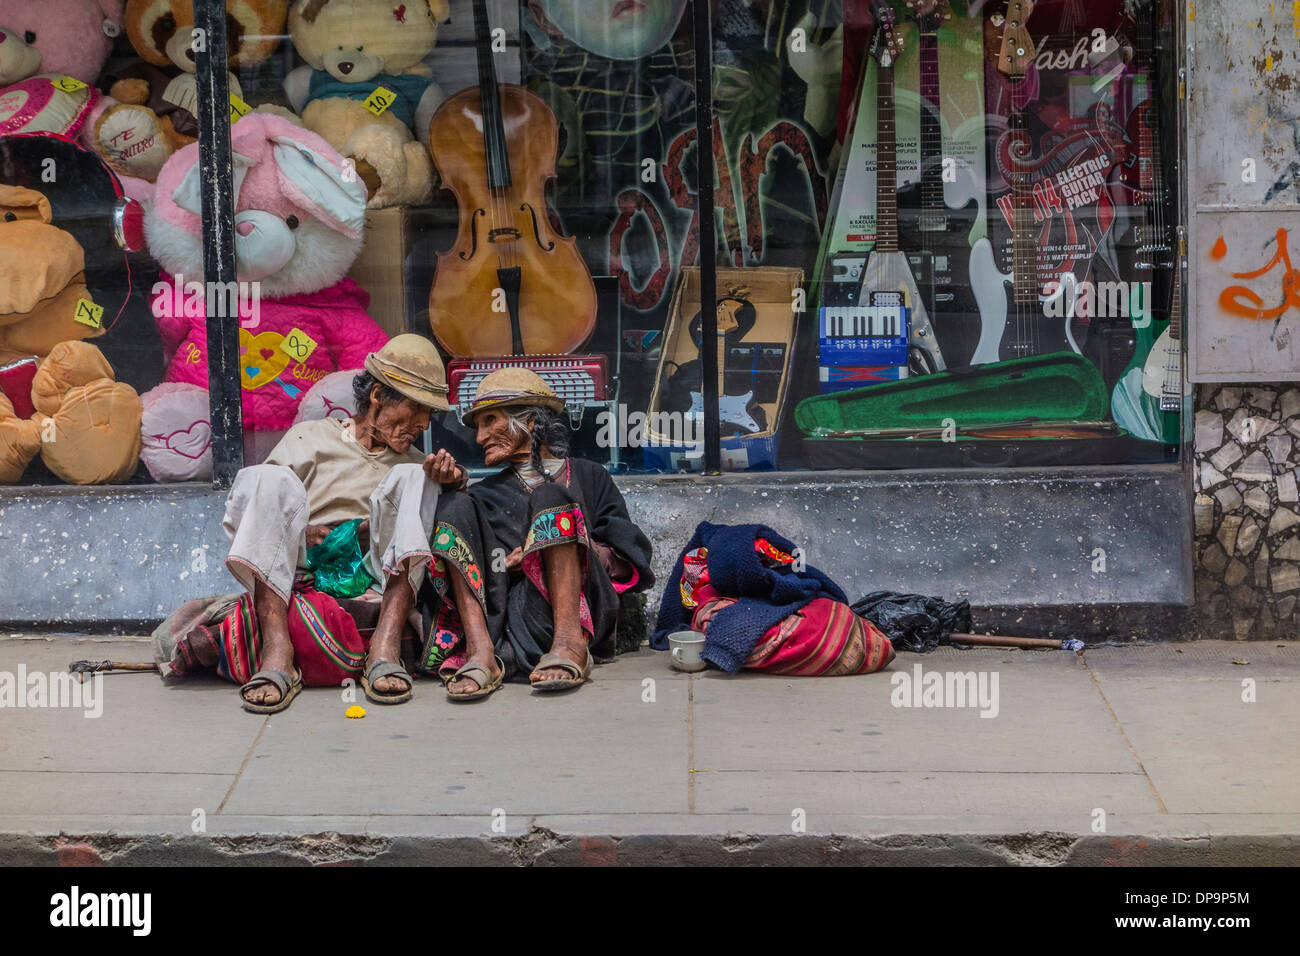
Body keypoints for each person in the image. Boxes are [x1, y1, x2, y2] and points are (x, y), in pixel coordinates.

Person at [222, 334, 467, 712]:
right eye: (416, 408)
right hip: (308, 563)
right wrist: (304, 533)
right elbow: (265, 514)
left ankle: (384, 647)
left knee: (417, 477)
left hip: (377, 571)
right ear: (377, 396)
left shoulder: (417, 464)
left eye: (428, 415)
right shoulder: (309, 437)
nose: (421, 423)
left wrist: (452, 482)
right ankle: (277, 651)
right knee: (263, 479)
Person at [417, 368, 654, 699]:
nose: (480, 437)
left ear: (529, 421)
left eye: (490, 421)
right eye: (478, 427)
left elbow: (628, 557)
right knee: (454, 503)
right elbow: (486, 574)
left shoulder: (590, 476)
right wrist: (511, 562)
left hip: (582, 612)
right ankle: (479, 651)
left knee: (550, 496)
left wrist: (567, 546)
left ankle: (569, 643)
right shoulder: (485, 494)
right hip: (517, 617)